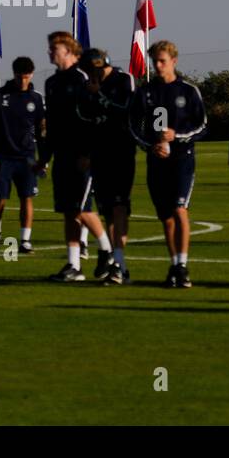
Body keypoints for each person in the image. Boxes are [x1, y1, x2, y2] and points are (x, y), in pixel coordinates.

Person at [128, 40, 207, 288]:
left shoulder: (188, 90)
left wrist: (178, 136)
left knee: (180, 209)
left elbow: (202, 125)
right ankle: (174, 264)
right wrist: (149, 145)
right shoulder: (145, 92)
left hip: (182, 160)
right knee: (166, 218)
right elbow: (132, 125)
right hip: (156, 161)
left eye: (162, 61)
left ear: (174, 61)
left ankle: (183, 266)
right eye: (155, 61)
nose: (158, 66)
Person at [39, 31, 113, 282]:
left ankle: (107, 250)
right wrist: (44, 157)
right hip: (61, 155)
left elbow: (95, 119)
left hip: (83, 156)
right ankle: (73, 266)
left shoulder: (83, 78)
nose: (50, 52)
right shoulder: (51, 83)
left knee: (81, 208)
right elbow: (53, 125)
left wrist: (88, 152)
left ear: (69, 51)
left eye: (54, 48)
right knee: (69, 211)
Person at [0, 56, 45, 256]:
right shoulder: (0, 96)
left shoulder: (36, 99)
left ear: (31, 75)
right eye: (20, 77)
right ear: (14, 74)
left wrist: (42, 159)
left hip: (27, 157)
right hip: (3, 157)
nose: (23, 81)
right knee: (0, 198)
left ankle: (25, 240)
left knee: (27, 197)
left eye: (26, 77)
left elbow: (41, 131)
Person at [85, 48, 137, 284]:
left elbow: (126, 110)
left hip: (121, 152)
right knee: (107, 211)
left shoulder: (123, 80)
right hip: (98, 154)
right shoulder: (90, 85)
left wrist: (100, 96)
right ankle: (117, 264)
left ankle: (119, 263)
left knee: (119, 208)